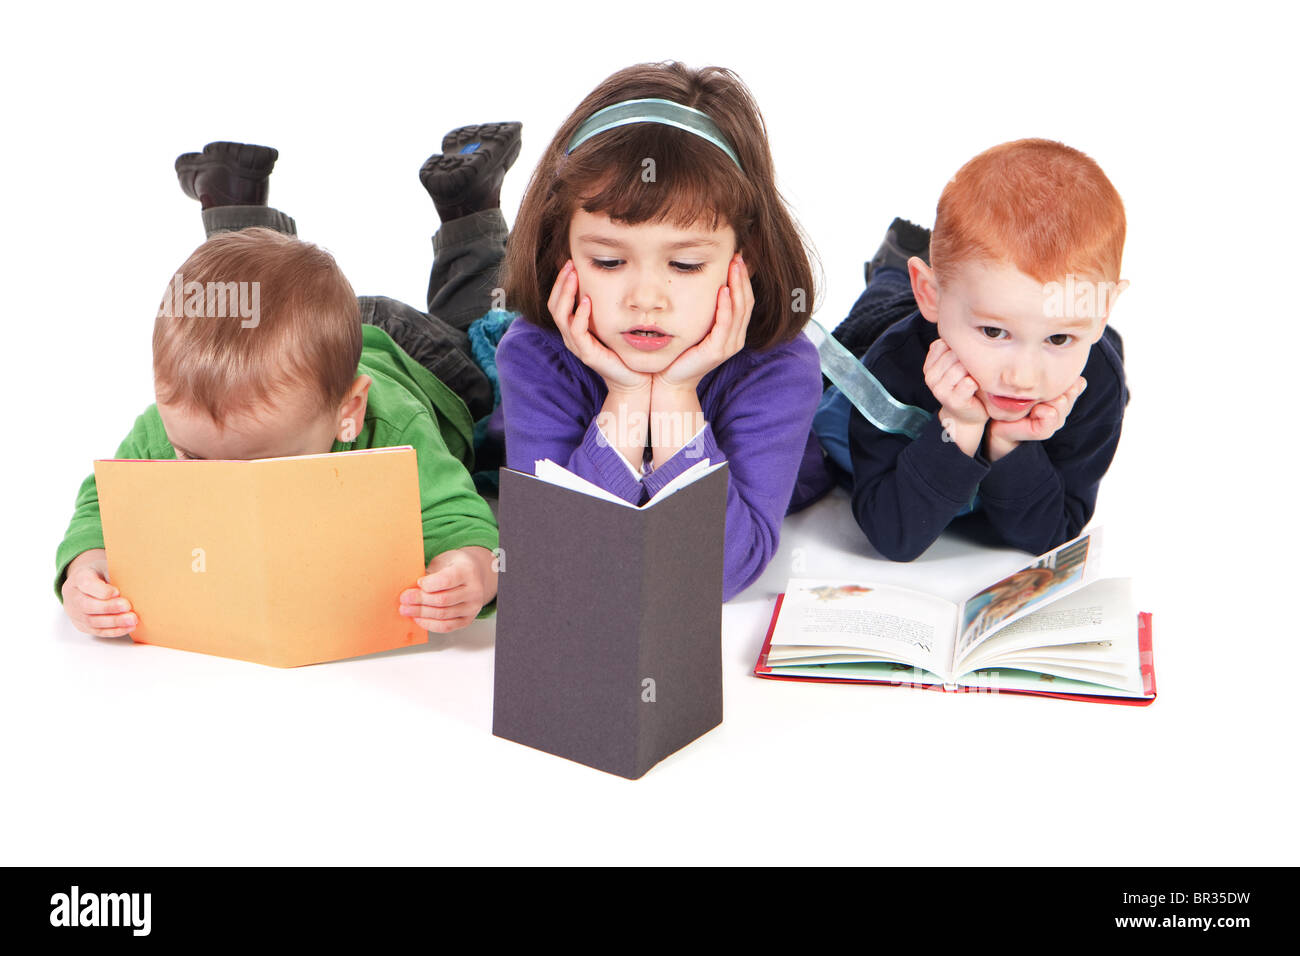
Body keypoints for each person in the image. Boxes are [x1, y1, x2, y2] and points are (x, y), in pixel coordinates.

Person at [56, 126, 521, 637]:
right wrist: (88, 566)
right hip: (302, 343)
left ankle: (470, 208)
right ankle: (231, 201)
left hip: (425, 358)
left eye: (260, 467)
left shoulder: (397, 430)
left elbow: (457, 518)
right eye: (193, 459)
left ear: (350, 414)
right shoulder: (187, 421)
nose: (222, 488)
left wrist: (467, 573)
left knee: (484, 327)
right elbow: (105, 503)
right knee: (246, 307)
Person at [494, 62, 831, 602]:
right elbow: (554, 562)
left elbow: (719, 572)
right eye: (607, 261)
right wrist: (627, 399)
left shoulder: (780, 366)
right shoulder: (534, 356)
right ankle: (471, 224)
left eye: (686, 266)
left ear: (743, 260)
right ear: (563, 254)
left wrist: (675, 397)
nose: (645, 299)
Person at [821, 139, 1130, 562]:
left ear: (1102, 312)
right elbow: (893, 536)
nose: (1022, 377)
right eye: (993, 331)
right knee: (878, 309)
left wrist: (1009, 446)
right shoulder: (889, 368)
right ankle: (894, 270)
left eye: (1059, 339)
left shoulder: (1097, 384)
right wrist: (960, 427)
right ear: (930, 294)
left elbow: (1055, 532)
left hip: (961, 306)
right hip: (885, 328)